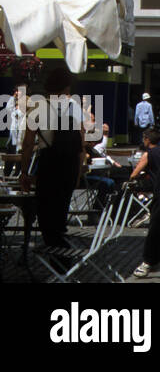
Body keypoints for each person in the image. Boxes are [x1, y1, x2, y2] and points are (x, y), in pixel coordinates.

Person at [18, 64, 85, 256]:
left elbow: (28, 144)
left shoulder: (38, 108)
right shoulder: (75, 108)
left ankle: (60, 260)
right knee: (60, 216)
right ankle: (61, 261)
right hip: (69, 166)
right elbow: (81, 146)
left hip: (49, 166)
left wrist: (24, 172)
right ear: (66, 87)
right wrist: (78, 173)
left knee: (46, 217)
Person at [131, 127, 160, 278]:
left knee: (155, 227)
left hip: (156, 191)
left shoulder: (149, 153)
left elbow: (135, 173)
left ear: (147, 140)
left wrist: (131, 179)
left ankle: (150, 260)